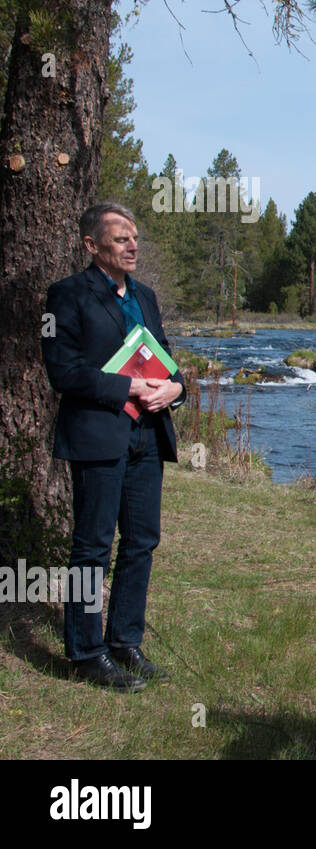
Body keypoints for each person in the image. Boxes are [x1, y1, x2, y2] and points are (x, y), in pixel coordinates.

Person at [41, 203, 187, 692]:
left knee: (142, 542)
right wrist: (125, 388)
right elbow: (63, 372)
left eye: (135, 238)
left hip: (148, 434)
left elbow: (165, 360)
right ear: (91, 246)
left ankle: (125, 641)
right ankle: (85, 653)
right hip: (98, 435)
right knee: (92, 548)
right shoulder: (64, 296)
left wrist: (177, 389)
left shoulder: (145, 296)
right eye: (121, 238)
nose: (133, 245)